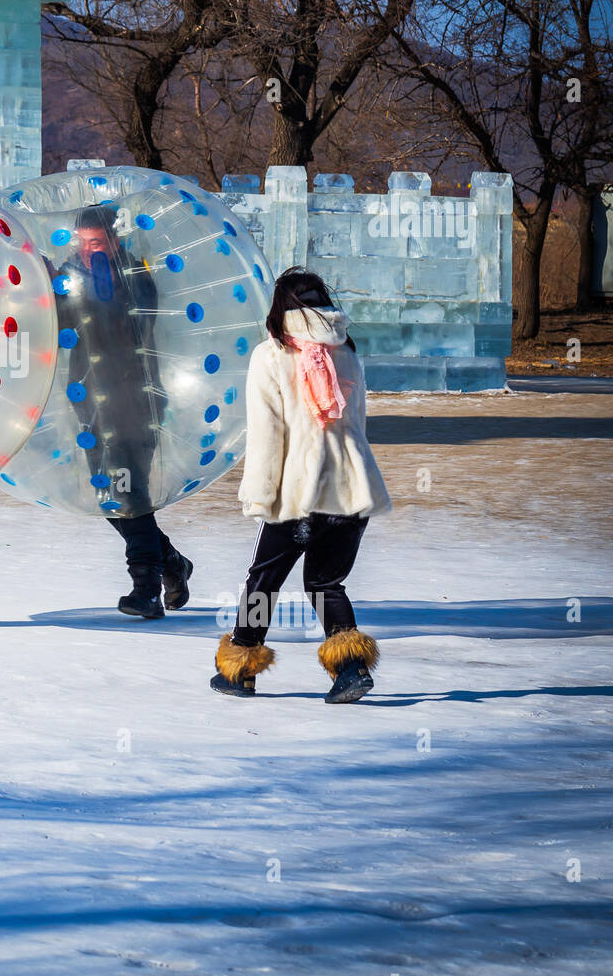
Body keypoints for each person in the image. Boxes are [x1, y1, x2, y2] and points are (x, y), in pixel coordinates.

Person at [213, 267, 391, 702]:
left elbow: (268, 436)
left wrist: (260, 495)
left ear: (279, 309)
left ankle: (240, 669)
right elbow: (359, 424)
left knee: (264, 581)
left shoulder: (271, 355)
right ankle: (350, 670)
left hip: (299, 494)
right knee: (326, 584)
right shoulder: (345, 349)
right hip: (352, 491)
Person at [51, 204, 194, 619]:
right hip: (90, 401)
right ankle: (171, 563)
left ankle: (146, 587)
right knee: (110, 496)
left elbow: (130, 322)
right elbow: (56, 324)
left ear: (115, 242)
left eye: (96, 243)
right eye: (82, 243)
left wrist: (99, 285)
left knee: (131, 491)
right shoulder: (67, 277)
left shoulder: (134, 277)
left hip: (135, 398)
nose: (87, 250)